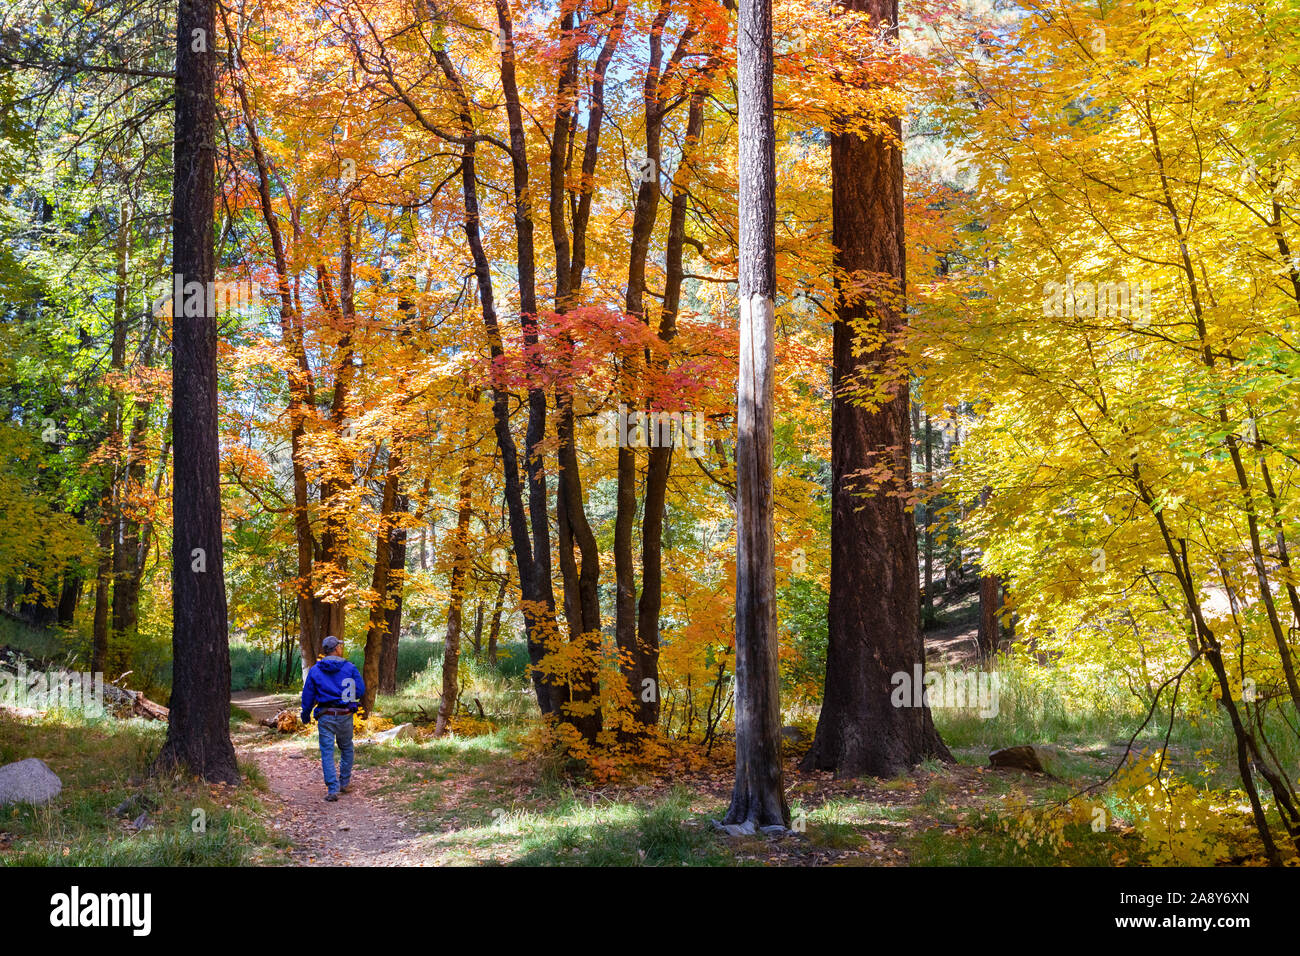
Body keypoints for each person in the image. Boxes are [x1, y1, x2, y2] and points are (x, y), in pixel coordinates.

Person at [300, 635, 365, 802]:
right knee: (347, 748)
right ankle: (344, 782)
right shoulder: (349, 668)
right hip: (345, 715)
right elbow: (360, 690)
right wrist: (349, 699)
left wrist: (305, 714)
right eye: (340, 646)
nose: (341, 649)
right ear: (336, 648)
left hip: (325, 715)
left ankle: (332, 788)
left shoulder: (315, 670)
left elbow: (308, 695)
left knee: (327, 752)